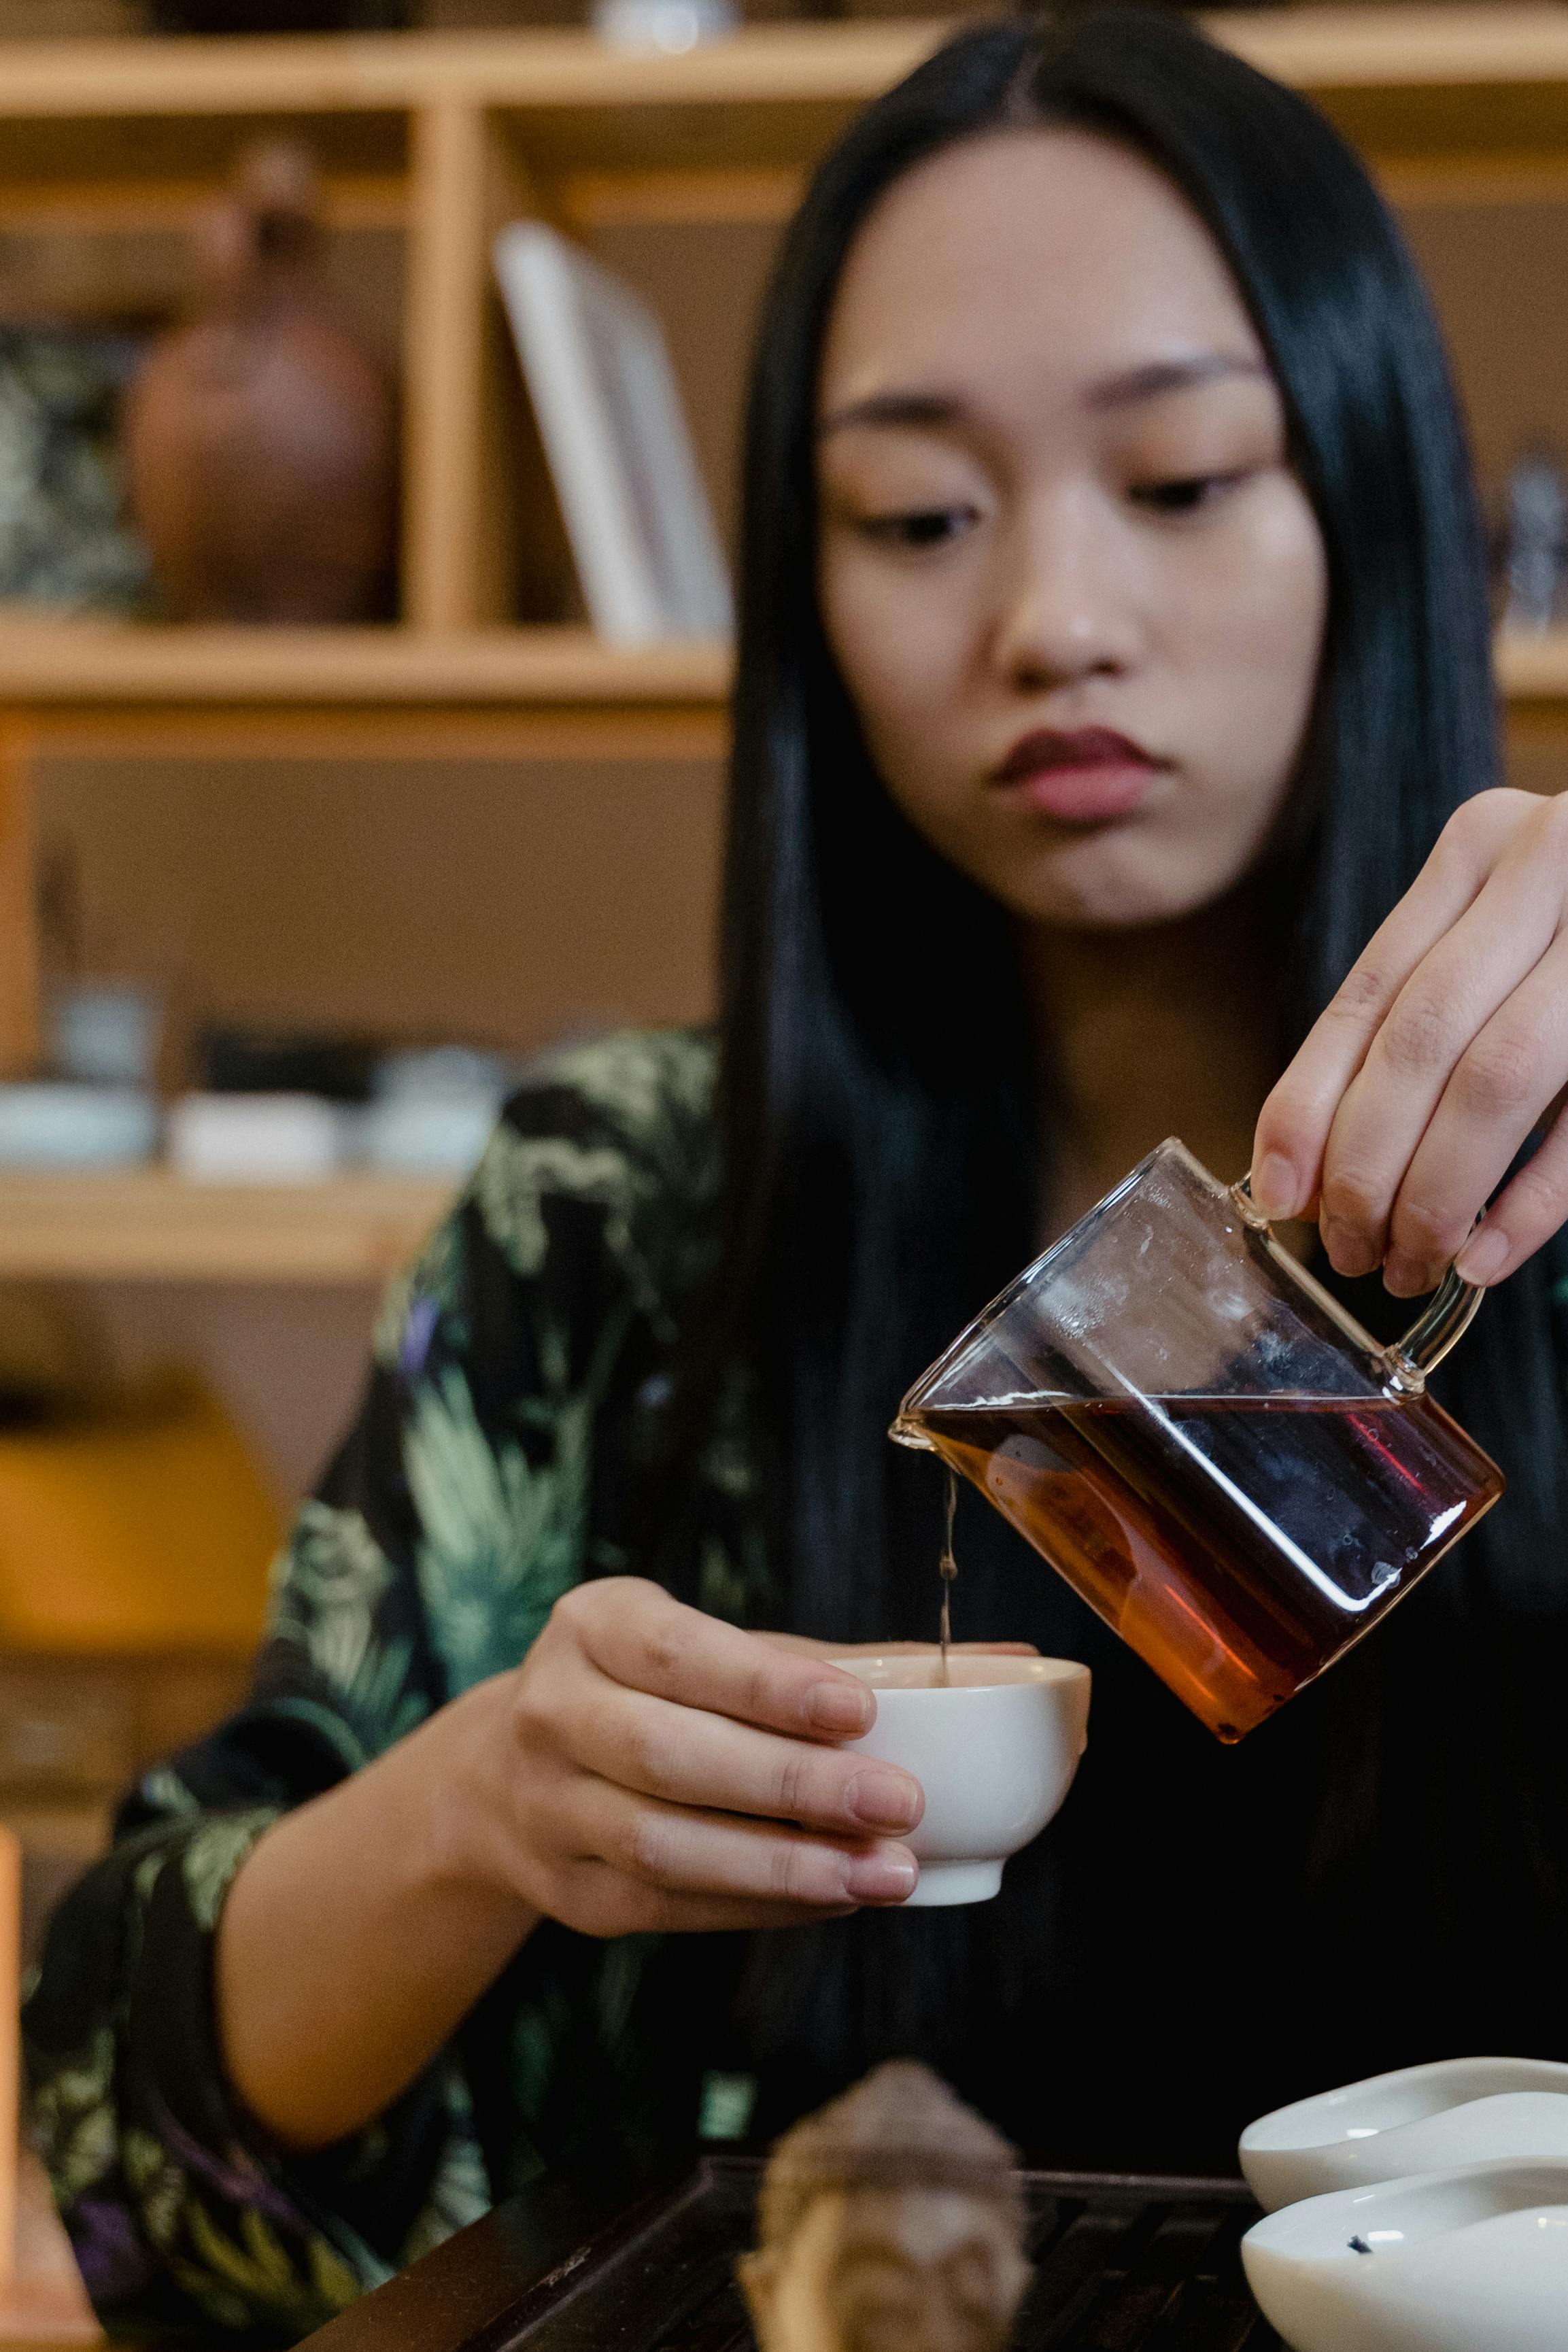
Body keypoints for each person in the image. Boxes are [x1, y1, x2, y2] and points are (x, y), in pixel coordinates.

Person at [25, 7, 1568, 2338]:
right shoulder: (619, 1213)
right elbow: (134, 2138)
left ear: (1374, 498)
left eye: (1174, 480)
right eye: (919, 516)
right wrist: (475, 1811)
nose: (1054, 621)